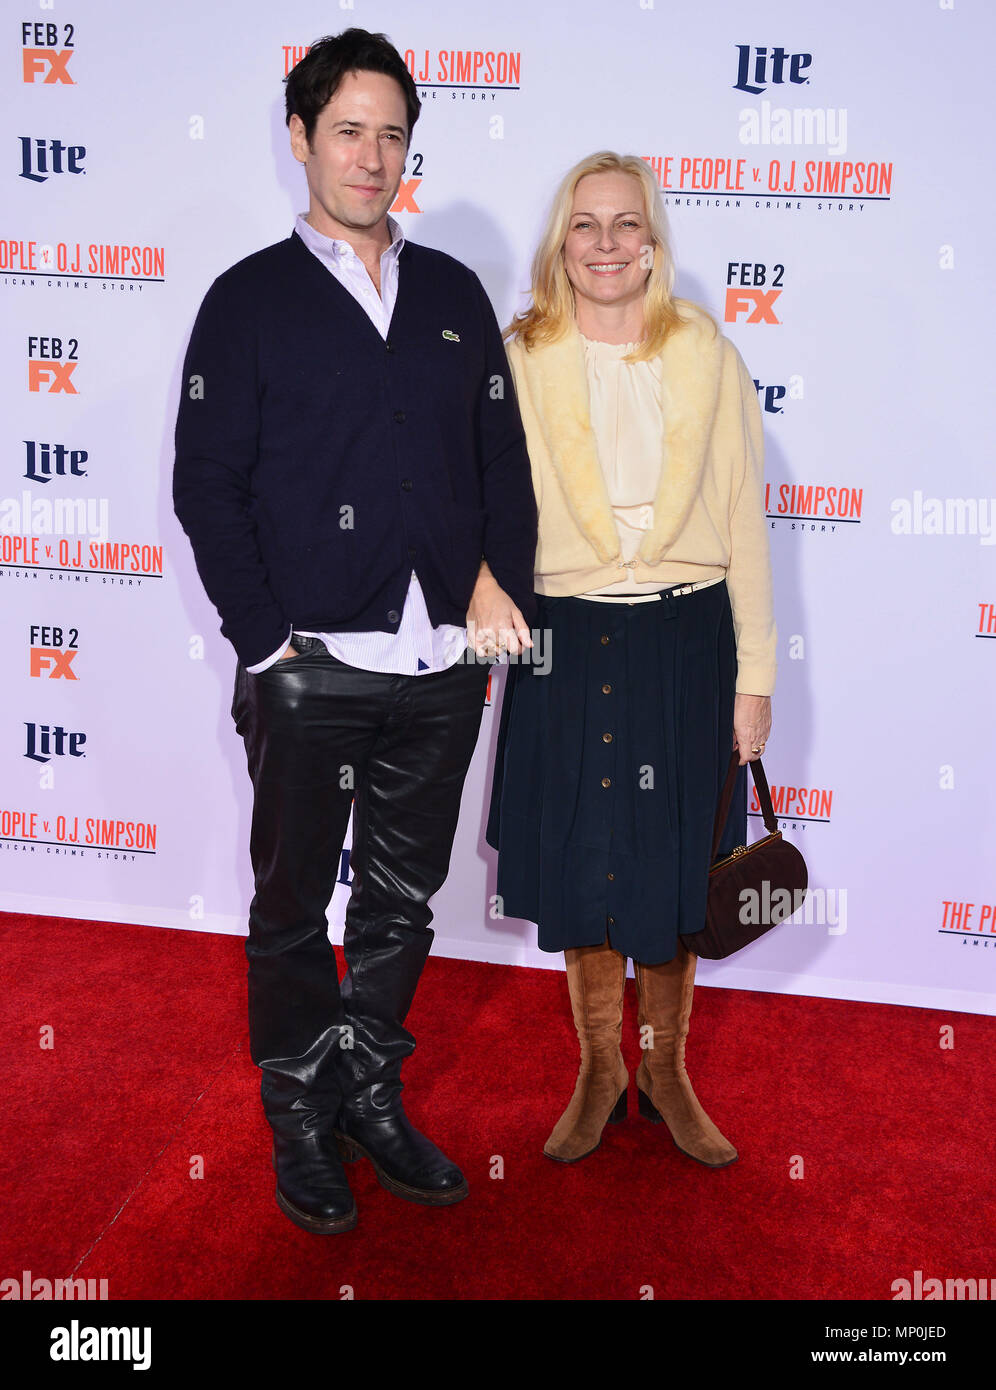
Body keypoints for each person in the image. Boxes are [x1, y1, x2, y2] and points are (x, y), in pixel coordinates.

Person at [173, 29, 536, 1234]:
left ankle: (368, 1091)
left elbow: (498, 461)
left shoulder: (450, 294)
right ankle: (297, 1114)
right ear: (300, 139)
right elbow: (206, 484)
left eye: (391, 135)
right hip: (310, 667)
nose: (371, 157)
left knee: (398, 902)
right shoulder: (247, 301)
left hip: (441, 669)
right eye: (348, 131)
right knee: (290, 909)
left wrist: (500, 587)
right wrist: (270, 640)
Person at [486, 151, 775, 1169]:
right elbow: (478, 499)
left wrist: (756, 678)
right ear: (560, 242)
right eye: (586, 225)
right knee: (582, 858)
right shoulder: (518, 354)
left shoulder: (706, 350)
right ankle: (600, 1067)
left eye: (626, 224)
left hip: (686, 641)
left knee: (673, 865)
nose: (607, 244)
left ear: (653, 239)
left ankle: (667, 1069)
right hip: (563, 638)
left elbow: (746, 519)